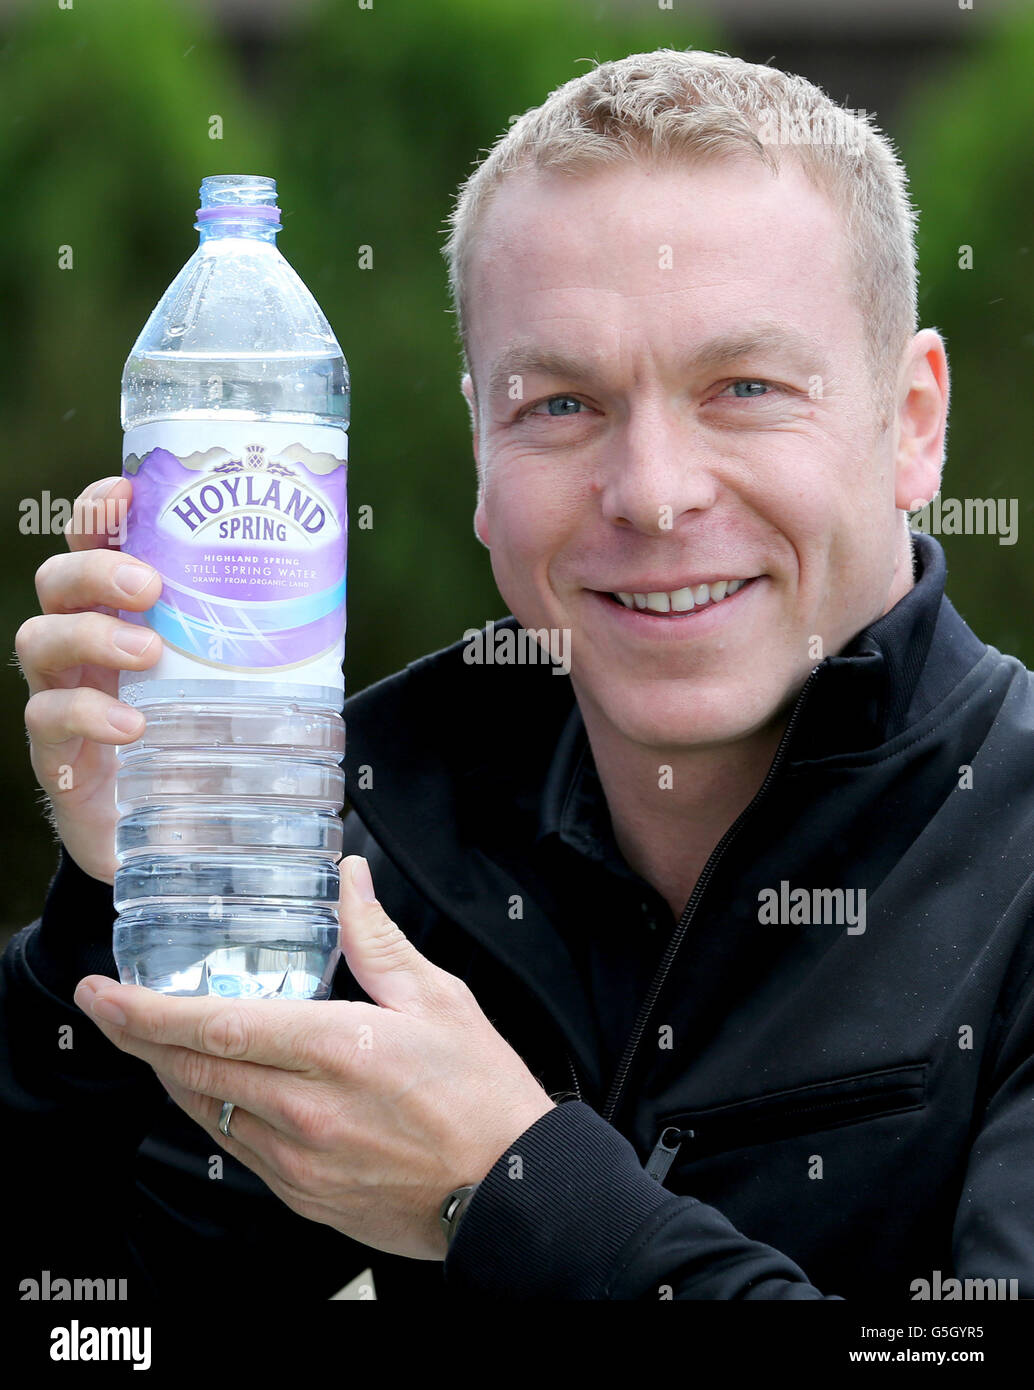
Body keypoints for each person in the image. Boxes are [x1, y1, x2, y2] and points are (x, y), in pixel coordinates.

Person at [4, 47, 1032, 1303]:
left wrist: (505, 1182)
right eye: (558, 405)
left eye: (745, 388)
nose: (653, 494)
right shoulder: (373, 842)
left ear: (913, 422)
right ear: (480, 449)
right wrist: (110, 906)